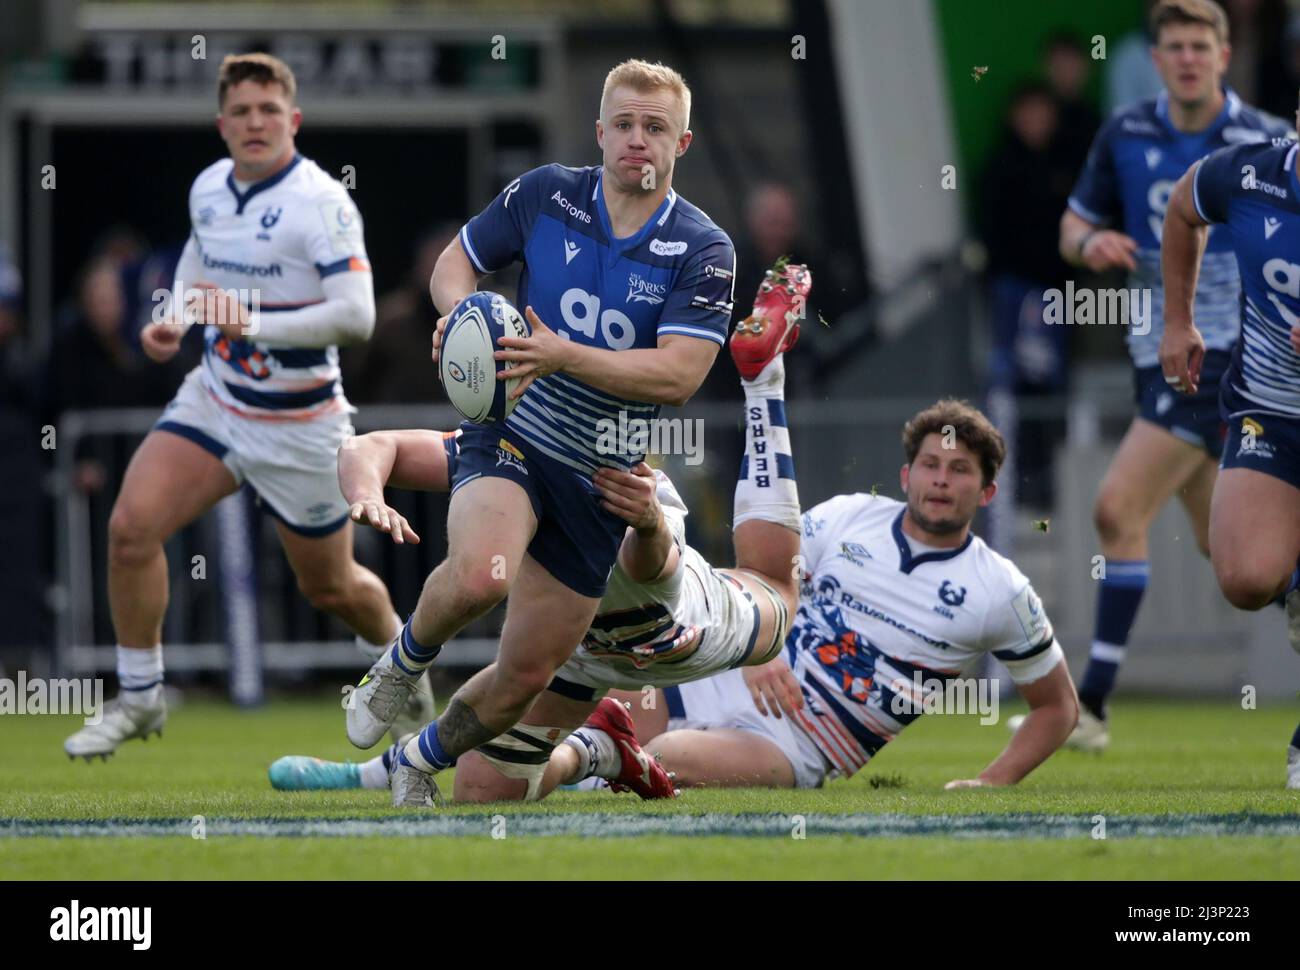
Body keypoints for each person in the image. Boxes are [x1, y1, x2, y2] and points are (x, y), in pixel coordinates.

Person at [344, 60, 761, 810]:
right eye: (624, 125)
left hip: (600, 480)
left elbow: (678, 376)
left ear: (682, 142)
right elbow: (455, 265)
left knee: (526, 676)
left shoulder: (704, 248)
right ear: (599, 132)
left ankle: (418, 757)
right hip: (516, 435)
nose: (638, 140)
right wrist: (458, 319)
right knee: (482, 575)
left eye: (655, 128)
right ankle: (401, 664)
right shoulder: (545, 195)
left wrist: (566, 354)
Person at [271, 266, 808, 800]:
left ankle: (763, 379)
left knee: (775, 592)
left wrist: (647, 525)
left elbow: (651, 569)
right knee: (482, 793)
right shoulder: (501, 456)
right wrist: (366, 495)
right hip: (575, 657)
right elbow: (371, 446)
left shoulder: (618, 479)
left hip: (675, 634)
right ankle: (603, 749)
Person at [63, 53, 425, 760]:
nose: (255, 123)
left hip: (302, 424)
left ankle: (402, 660)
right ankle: (140, 697)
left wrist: (248, 321)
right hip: (219, 401)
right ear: (221, 123)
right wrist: (176, 313)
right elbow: (202, 259)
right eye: (242, 112)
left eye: (269, 111)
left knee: (331, 586)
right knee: (131, 527)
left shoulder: (322, 202)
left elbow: (355, 317)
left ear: (292, 120)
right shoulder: (208, 187)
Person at [597, 401, 1078, 792]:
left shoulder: (1002, 589)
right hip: (717, 674)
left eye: (959, 469)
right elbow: (754, 576)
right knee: (594, 707)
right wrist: (754, 649)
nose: (941, 480)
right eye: (930, 464)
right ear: (907, 477)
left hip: (790, 743)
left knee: (662, 758)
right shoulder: (850, 516)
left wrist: (992, 782)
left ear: (988, 492)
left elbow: (1058, 707)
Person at [1042, 0, 1292, 752]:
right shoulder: (1126, 131)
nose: (1187, 58)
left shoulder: (1268, 140)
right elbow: (1073, 227)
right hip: (1156, 347)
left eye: (1200, 46)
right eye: (1174, 46)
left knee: (1118, 508)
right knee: (1237, 559)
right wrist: (1093, 249)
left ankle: (1091, 704)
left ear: (1224, 56)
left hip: (1231, 358)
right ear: (1155, 60)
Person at [1159, 92, 1300, 789]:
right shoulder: (1247, 175)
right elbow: (1183, 210)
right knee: (1247, 578)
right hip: (1269, 409)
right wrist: (1177, 319)